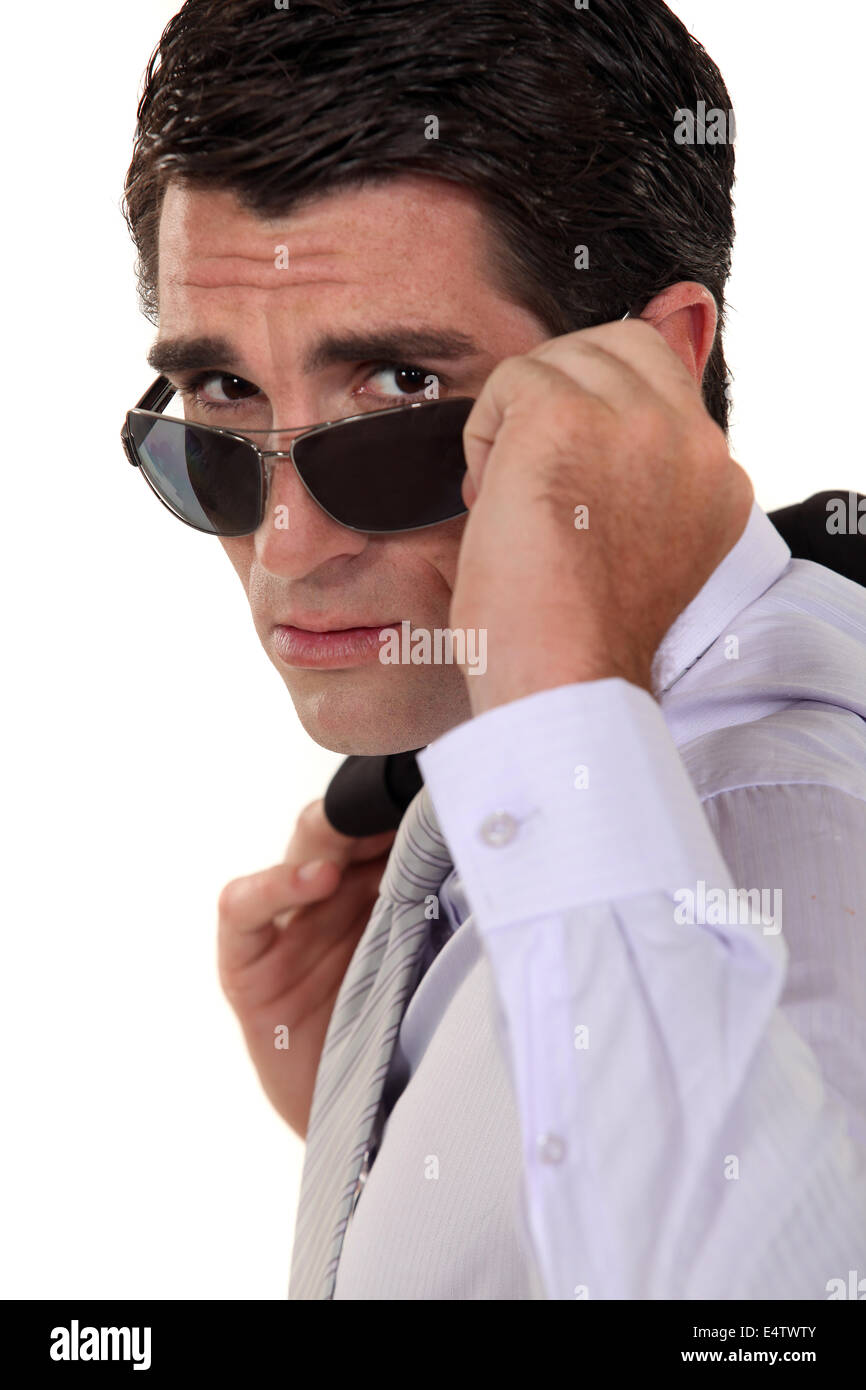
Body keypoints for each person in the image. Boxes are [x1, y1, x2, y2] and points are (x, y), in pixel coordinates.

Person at [122, 0, 866, 1299]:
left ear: (653, 367)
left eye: (401, 393)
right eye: (223, 401)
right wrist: (400, 1105)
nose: (290, 546)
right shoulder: (492, 811)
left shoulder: (787, 810)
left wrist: (558, 704)